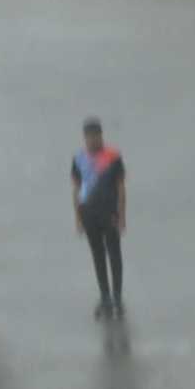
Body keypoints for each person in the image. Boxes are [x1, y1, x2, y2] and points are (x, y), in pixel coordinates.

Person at [71, 116, 130, 316]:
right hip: (89, 213)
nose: (92, 140)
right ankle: (104, 296)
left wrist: (122, 215)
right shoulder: (79, 159)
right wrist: (78, 217)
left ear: (101, 135)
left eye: (95, 136)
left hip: (109, 212)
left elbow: (121, 187)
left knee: (114, 253)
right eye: (88, 137)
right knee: (97, 255)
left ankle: (117, 297)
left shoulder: (113, 157)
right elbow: (77, 188)